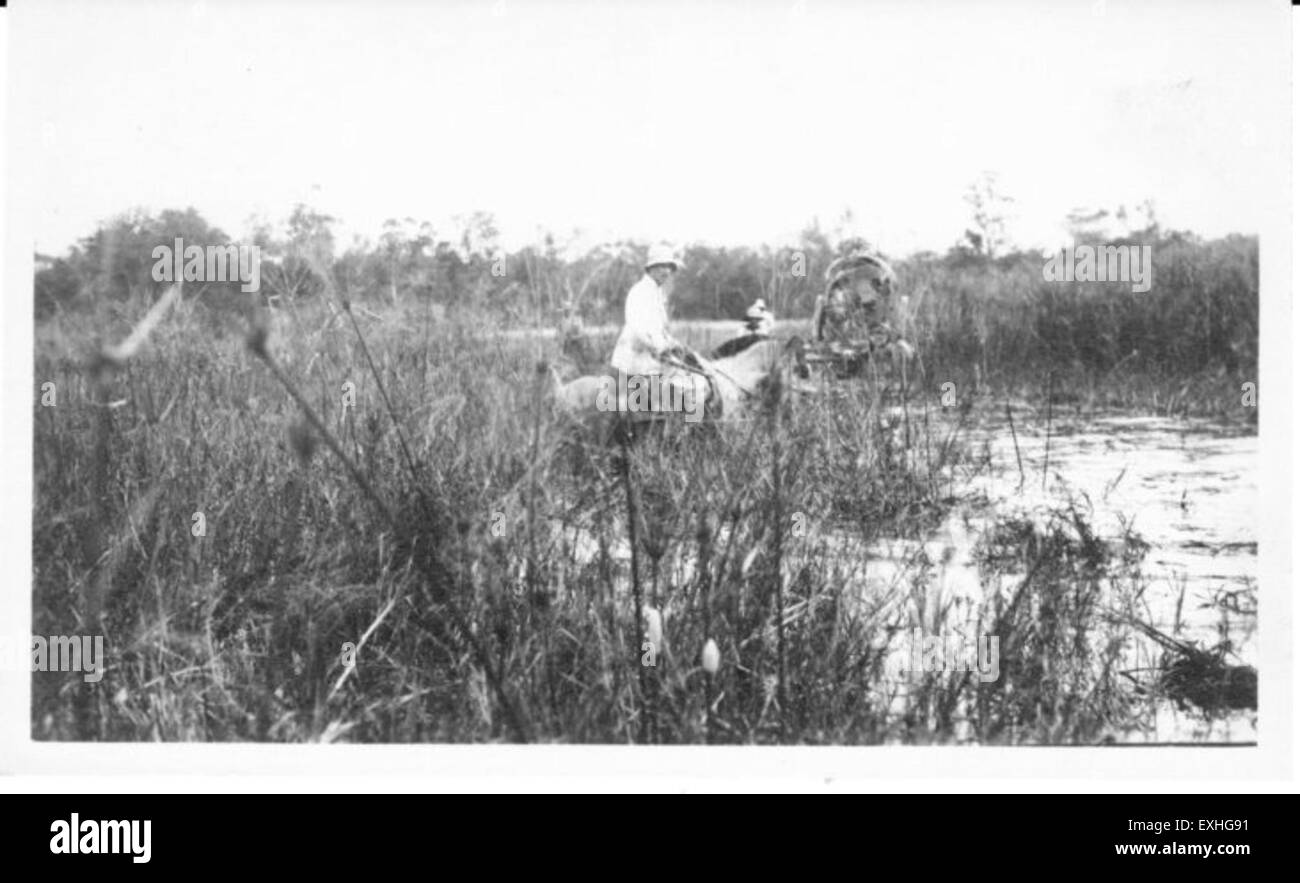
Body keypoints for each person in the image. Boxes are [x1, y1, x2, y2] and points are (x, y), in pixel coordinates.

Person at [610, 244, 701, 375]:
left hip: (651, 360)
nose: (667, 272)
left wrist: (673, 343)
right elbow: (638, 327)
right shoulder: (639, 291)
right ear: (651, 268)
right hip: (633, 361)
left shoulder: (657, 293)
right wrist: (661, 346)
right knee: (660, 391)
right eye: (662, 266)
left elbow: (659, 329)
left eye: (669, 267)